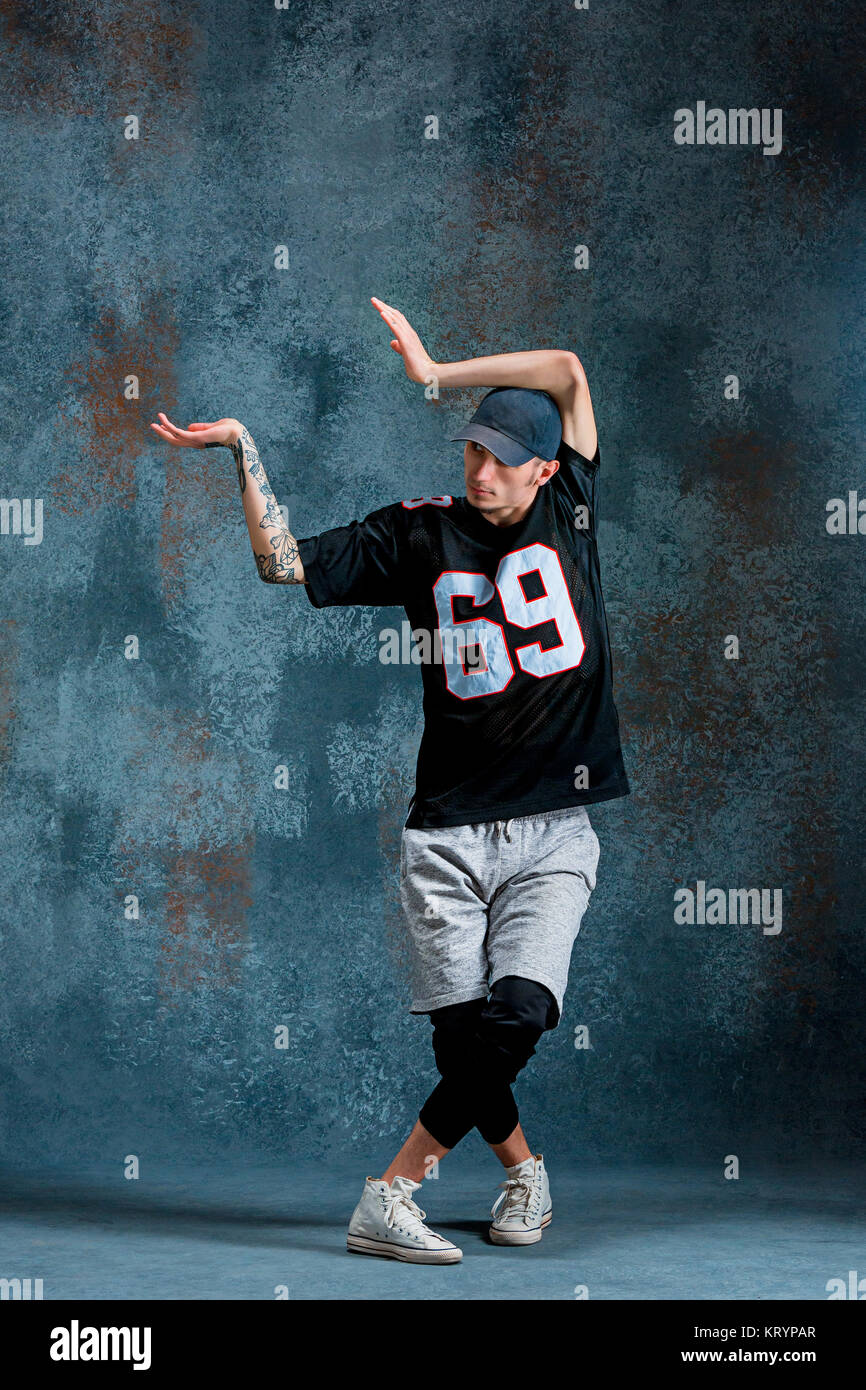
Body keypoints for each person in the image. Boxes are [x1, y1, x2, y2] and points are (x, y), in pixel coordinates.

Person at [149, 297, 630, 1266]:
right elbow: (280, 562)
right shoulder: (419, 535)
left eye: (501, 457)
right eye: (468, 449)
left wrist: (435, 370)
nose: (479, 469)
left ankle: (391, 1187)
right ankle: (521, 1168)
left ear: (546, 468)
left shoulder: (572, 505)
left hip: (549, 826)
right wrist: (243, 450)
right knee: (463, 1048)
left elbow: (569, 367)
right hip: (446, 832)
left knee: (520, 1014)